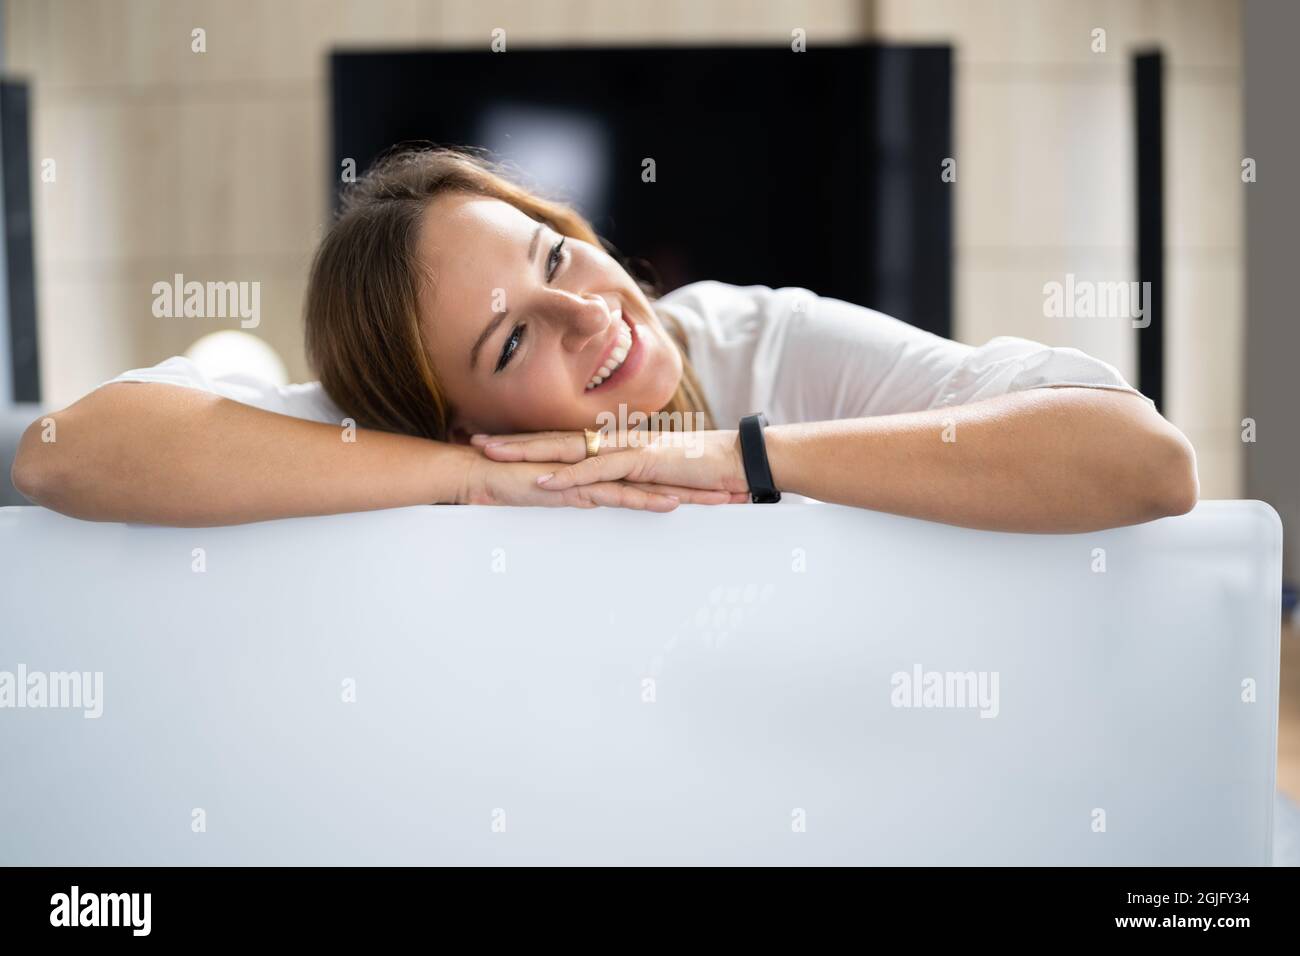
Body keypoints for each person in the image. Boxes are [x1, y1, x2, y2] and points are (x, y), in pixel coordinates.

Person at [12, 147, 1197, 531]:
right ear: (459, 414)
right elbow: (62, 450)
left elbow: (1143, 459)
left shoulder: (755, 337)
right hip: (321, 406)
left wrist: (742, 455)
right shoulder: (403, 435)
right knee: (236, 372)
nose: (594, 312)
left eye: (553, 255)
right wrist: (467, 474)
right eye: (512, 345)